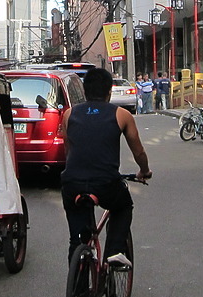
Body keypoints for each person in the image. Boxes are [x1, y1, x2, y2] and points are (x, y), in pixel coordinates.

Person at [59, 68, 152, 265]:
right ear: (110, 92)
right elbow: (139, 153)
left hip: (72, 184)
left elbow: (68, 150)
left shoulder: (69, 114)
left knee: (77, 239)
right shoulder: (122, 115)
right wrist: (144, 171)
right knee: (123, 206)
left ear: (84, 91)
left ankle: (79, 290)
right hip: (105, 184)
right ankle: (115, 251)